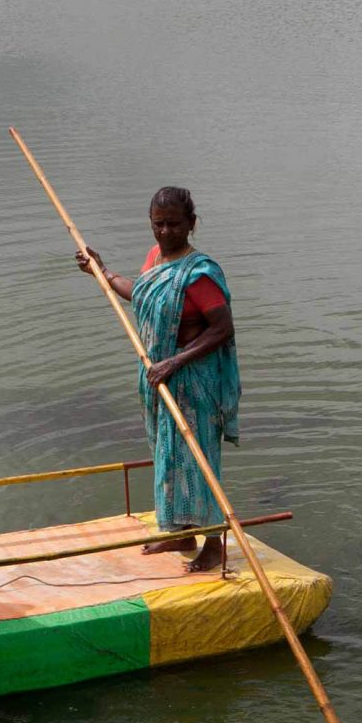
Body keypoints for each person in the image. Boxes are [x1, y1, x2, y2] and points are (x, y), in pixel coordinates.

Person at [76, 186, 240, 573]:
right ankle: (180, 533)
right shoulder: (155, 259)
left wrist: (176, 362)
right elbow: (142, 294)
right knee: (168, 457)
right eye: (158, 224)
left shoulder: (200, 274)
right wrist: (103, 272)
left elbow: (222, 328)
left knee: (198, 461)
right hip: (159, 377)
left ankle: (214, 544)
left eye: (174, 224)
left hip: (193, 381)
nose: (165, 232)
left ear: (191, 225)